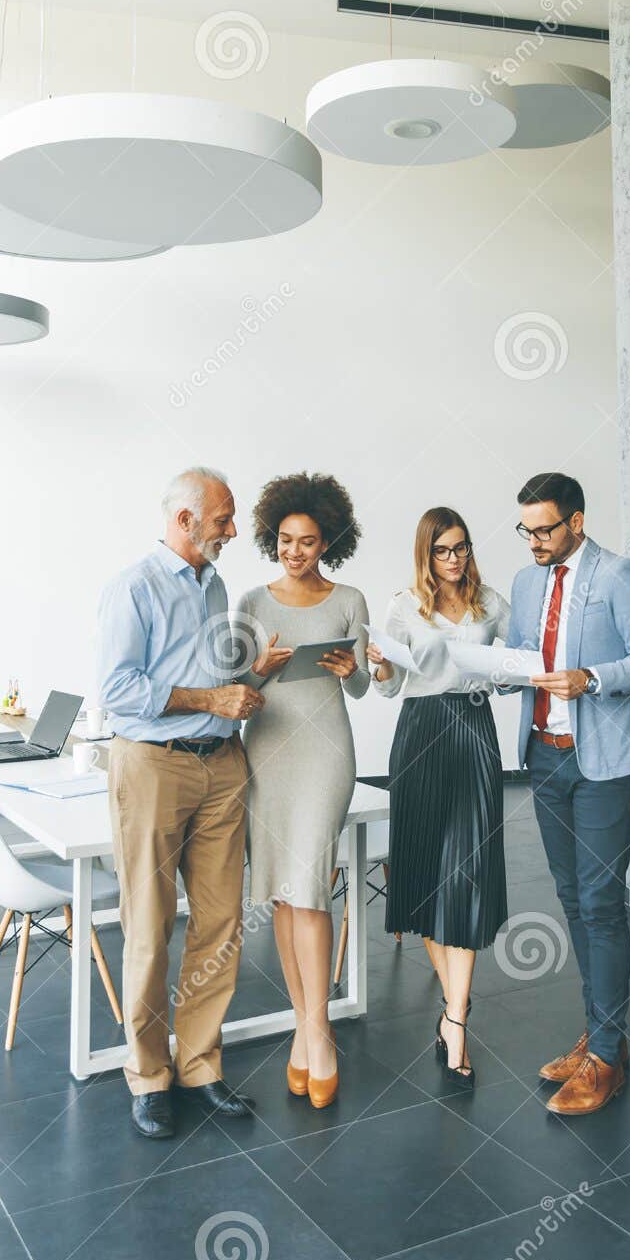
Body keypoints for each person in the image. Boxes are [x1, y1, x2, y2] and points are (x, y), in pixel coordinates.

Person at [97, 467, 265, 1141]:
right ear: (185, 520)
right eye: (223, 519)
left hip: (222, 764)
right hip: (154, 767)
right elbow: (117, 688)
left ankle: (198, 1063)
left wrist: (248, 679)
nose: (232, 531)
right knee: (150, 922)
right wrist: (208, 701)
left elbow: (210, 671)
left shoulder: (215, 583)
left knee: (221, 925)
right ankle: (148, 1074)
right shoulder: (132, 587)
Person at [506, 471, 630, 1118]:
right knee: (574, 900)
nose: (534, 540)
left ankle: (606, 1058)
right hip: (543, 759)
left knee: (601, 903)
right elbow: (524, 659)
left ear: (576, 521)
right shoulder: (525, 583)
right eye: (526, 529)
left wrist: (593, 677)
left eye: (544, 528)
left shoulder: (618, 575)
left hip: (602, 764)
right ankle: (598, 1034)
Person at [235, 472, 369, 1110]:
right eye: (286, 540)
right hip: (266, 751)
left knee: (310, 891)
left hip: (325, 755)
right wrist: (259, 668)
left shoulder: (350, 599)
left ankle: (320, 1035)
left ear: (327, 542)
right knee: (285, 899)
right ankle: (305, 1029)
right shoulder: (251, 604)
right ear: (273, 538)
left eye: (308, 541)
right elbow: (232, 689)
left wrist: (351, 669)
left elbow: (367, 684)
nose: (295, 551)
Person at [368, 507, 509, 1088]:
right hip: (420, 733)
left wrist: (501, 671)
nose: (455, 561)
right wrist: (378, 668)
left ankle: (455, 1018)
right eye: (444, 552)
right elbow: (390, 686)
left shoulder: (490, 603)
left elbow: (511, 666)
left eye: (462, 549)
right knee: (426, 874)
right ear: (425, 554)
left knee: (468, 875)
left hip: (474, 731)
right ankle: (457, 1014)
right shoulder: (404, 606)